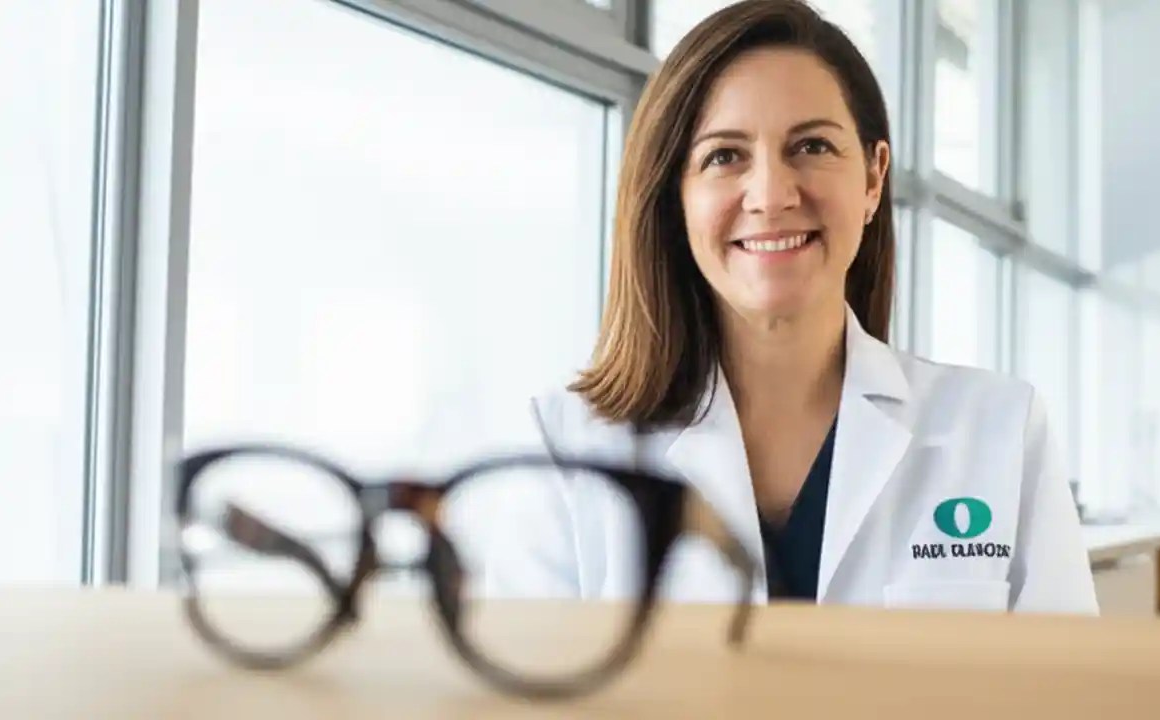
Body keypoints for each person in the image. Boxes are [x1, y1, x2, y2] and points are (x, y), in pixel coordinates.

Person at [453, 0, 1098, 615]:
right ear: (676, 196)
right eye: (724, 156)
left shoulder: (1001, 431)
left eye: (811, 147)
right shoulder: (565, 452)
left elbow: (1072, 692)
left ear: (873, 178)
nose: (769, 194)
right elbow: (528, 692)